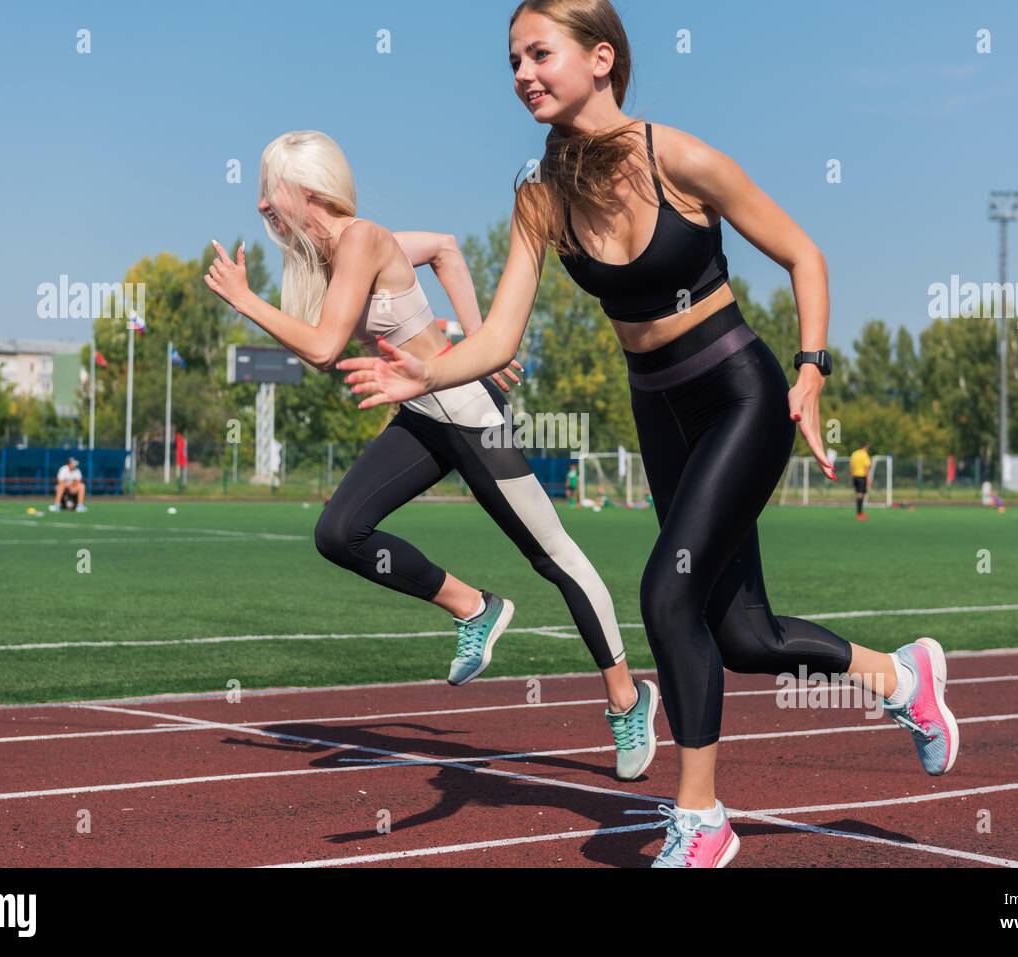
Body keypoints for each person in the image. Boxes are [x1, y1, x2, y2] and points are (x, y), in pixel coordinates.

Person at [337, 0, 959, 867]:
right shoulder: (539, 197)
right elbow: (499, 336)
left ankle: (701, 818)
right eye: (512, 59)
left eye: (538, 53)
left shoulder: (681, 158)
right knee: (742, 634)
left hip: (740, 396)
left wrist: (812, 367)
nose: (521, 73)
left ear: (601, 59)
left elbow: (804, 254)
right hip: (659, 411)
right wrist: (429, 369)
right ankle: (902, 678)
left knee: (667, 596)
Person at [201, 130, 660, 781]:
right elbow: (444, 247)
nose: (260, 207)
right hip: (421, 418)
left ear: (307, 192)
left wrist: (483, 349)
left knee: (552, 554)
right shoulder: (335, 255)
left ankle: (626, 696)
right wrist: (481, 339)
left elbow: (327, 346)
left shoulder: (360, 238)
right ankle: (474, 606)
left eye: (268, 190)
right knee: (339, 531)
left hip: (473, 418)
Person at [850, 442, 871, 521]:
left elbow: (851, 466)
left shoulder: (854, 454)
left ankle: (859, 513)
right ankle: (859, 514)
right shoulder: (864, 454)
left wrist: (852, 477)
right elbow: (866, 468)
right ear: (865, 447)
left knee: (858, 495)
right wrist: (868, 479)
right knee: (861, 495)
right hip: (862, 477)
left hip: (855, 476)